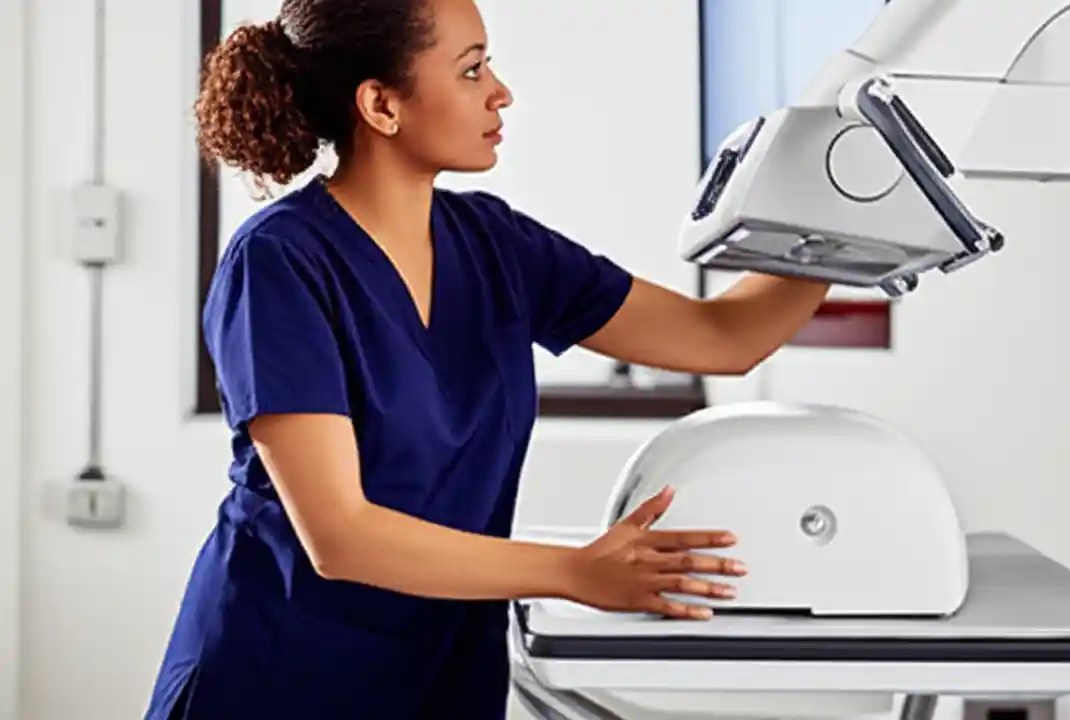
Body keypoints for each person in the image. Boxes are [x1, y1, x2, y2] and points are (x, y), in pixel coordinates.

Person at [146, 0, 831, 717]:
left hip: (437, 676)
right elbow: (340, 536)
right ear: (381, 105)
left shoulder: (496, 245)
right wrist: (573, 571)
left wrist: (839, 219)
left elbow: (723, 336)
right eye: (471, 70)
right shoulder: (279, 261)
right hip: (277, 675)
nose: (501, 92)